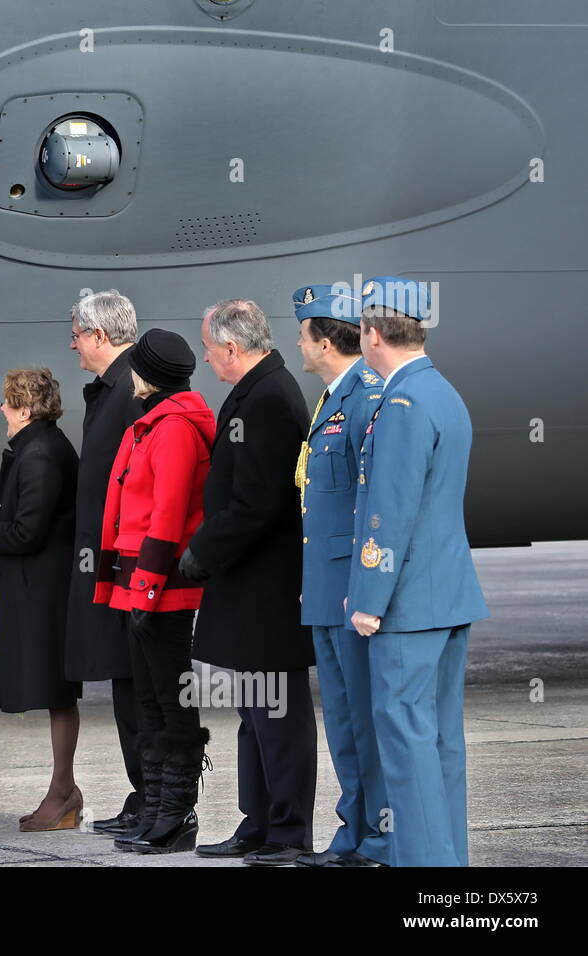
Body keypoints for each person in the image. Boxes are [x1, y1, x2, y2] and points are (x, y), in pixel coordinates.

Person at [349, 277, 489, 867]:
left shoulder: (402, 403)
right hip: (447, 597)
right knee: (439, 744)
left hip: (407, 605)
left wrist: (369, 598)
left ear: (373, 333)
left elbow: (389, 512)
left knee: (405, 747)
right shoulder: (442, 392)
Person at [179, 299, 318, 866]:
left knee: (278, 715)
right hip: (248, 584)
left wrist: (202, 551)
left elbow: (259, 500)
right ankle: (257, 822)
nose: (209, 363)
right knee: (254, 712)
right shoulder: (258, 392)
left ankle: (287, 832)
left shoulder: (268, 399)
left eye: (211, 354)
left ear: (233, 349)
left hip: (266, 586)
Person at [95, 330, 215, 854]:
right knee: (148, 699)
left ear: (149, 376)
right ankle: (155, 806)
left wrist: (142, 591)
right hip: (140, 584)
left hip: (160, 587)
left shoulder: (173, 430)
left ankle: (176, 814)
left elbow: (167, 516)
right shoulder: (151, 425)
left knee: (171, 701)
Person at [292, 284, 392, 868]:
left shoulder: (364, 399)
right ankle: (352, 832)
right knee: (345, 722)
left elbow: (371, 505)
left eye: (303, 334)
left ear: (324, 340)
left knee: (365, 721)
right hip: (325, 589)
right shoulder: (333, 398)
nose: (299, 345)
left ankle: (378, 837)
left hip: (350, 587)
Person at [0, 369, 82, 832]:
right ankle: (62, 792)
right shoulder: (41, 445)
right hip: (43, 587)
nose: (1, 410)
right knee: (56, 691)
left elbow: (26, 533)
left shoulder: (38, 454)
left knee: (56, 690)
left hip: (44, 592)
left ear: (26, 409)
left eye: (8, 403)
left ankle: (63, 792)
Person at [64, 290, 150, 834]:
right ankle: (146, 794)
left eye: (76, 333)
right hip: (113, 564)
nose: (72, 343)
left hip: (125, 565)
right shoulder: (113, 387)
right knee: (127, 684)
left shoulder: (128, 390)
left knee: (138, 685)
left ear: (99, 336)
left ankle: (155, 796)